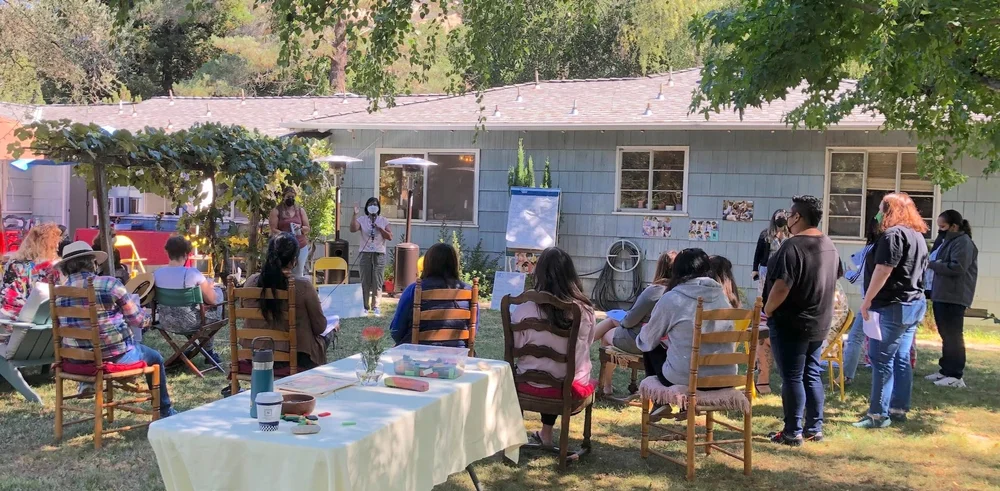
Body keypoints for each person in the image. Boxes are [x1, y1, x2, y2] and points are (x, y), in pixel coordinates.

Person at [55, 241, 176, 418]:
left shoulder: (59, 292)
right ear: (92, 262)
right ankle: (165, 412)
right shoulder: (109, 284)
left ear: (66, 268)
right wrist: (149, 318)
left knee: (125, 348)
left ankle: (88, 384)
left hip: (76, 361)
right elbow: (137, 320)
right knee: (154, 357)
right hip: (113, 359)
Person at [763, 195, 840, 446]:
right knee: (811, 374)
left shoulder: (792, 246)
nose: (788, 220)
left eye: (790, 215)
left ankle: (792, 431)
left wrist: (769, 309)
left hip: (792, 322)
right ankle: (814, 428)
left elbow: (782, 286)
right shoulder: (828, 244)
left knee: (793, 377)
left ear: (797, 217)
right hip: (819, 321)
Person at [854, 193, 929, 429]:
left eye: (879, 209)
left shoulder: (892, 235)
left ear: (888, 211)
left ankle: (878, 414)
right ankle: (898, 408)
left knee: (880, 358)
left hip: (893, 306)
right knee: (901, 358)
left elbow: (883, 270)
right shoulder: (917, 235)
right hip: (913, 304)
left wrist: (866, 301)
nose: (876, 214)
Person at [638, 248, 738, 420]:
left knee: (650, 343)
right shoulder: (722, 298)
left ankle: (660, 402)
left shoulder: (672, 298)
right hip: (724, 377)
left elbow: (647, 340)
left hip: (687, 378)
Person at [510, 247, 596, 448]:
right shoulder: (583, 310)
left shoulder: (523, 308)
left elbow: (516, 346)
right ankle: (546, 434)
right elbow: (587, 344)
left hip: (528, 381)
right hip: (569, 384)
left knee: (545, 368)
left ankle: (542, 435)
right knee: (560, 371)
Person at [243, 233, 334, 370]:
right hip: (294, 357)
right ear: (294, 261)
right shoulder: (302, 286)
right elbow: (320, 327)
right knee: (329, 332)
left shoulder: (250, 281)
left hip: (255, 354)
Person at [592, 250, 674, 399]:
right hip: (665, 345)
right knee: (614, 322)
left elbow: (630, 321)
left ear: (660, 268)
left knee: (608, 331)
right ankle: (582, 347)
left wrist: (622, 321)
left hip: (642, 342)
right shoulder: (678, 293)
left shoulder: (654, 291)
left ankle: (605, 384)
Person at [924, 210, 978, 388]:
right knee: (945, 335)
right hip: (942, 294)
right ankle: (945, 370)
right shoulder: (948, 240)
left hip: (955, 296)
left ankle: (955, 375)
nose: (940, 231)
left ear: (954, 226)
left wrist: (932, 265)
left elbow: (957, 267)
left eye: (943, 227)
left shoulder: (963, 243)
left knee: (953, 335)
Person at [153, 236, 224, 364]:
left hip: (166, 321)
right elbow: (213, 301)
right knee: (217, 294)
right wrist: (210, 287)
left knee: (204, 304)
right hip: (190, 322)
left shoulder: (157, 274)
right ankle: (209, 351)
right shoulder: (192, 274)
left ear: (167, 252)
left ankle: (205, 351)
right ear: (186, 254)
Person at [389, 243, 471, 346]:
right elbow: (472, 330)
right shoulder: (468, 291)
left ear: (427, 263)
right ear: (455, 264)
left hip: (418, 356)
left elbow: (396, 331)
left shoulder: (414, 289)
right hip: (458, 356)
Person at [751, 209, 788, 394]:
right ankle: (764, 315)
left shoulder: (789, 236)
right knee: (764, 296)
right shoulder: (766, 234)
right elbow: (758, 252)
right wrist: (755, 269)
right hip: (766, 268)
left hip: (782, 272)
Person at [842, 218, 880, 384]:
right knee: (881, 339)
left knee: (855, 337)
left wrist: (845, 272)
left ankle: (846, 376)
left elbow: (859, 277)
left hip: (871, 302)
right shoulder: (893, 247)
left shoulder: (871, 249)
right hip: (889, 302)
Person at [1, 223, 63, 320]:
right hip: (28, 317)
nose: (57, 247)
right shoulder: (51, 267)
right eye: (53, 247)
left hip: (20, 316)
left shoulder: (15, 263)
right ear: (42, 245)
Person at [351, 197, 393, 316]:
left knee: (377, 281)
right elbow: (353, 228)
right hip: (365, 254)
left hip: (379, 254)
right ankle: (364, 306)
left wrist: (380, 228)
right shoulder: (362, 219)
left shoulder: (383, 220)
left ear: (378, 207)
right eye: (370, 204)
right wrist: (354, 214)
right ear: (367, 207)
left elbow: (390, 236)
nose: (373, 206)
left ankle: (376, 306)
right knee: (365, 280)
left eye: (375, 204)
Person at [268, 186, 311, 277]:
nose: (290, 199)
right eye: (288, 197)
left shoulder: (300, 211)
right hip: (283, 246)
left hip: (300, 245)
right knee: (282, 272)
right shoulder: (276, 211)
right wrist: (285, 234)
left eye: (292, 197)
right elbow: (273, 229)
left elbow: (307, 228)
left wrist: (300, 228)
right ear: (283, 197)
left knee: (298, 272)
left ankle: (297, 290)